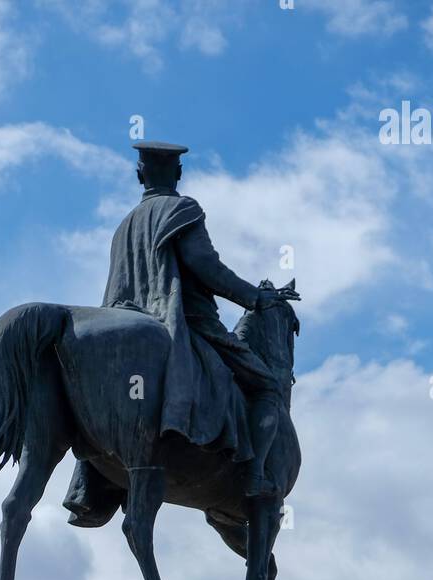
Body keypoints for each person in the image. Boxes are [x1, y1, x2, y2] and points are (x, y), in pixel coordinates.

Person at [64, 140, 300, 523]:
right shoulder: (183, 208)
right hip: (184, 320)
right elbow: (205, 264)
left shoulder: (125, 224)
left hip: (127, 313)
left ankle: (89, 481)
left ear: (140, 174)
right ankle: (256, 475)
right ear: (178, 173)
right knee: (267, 386)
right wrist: (255, 298)